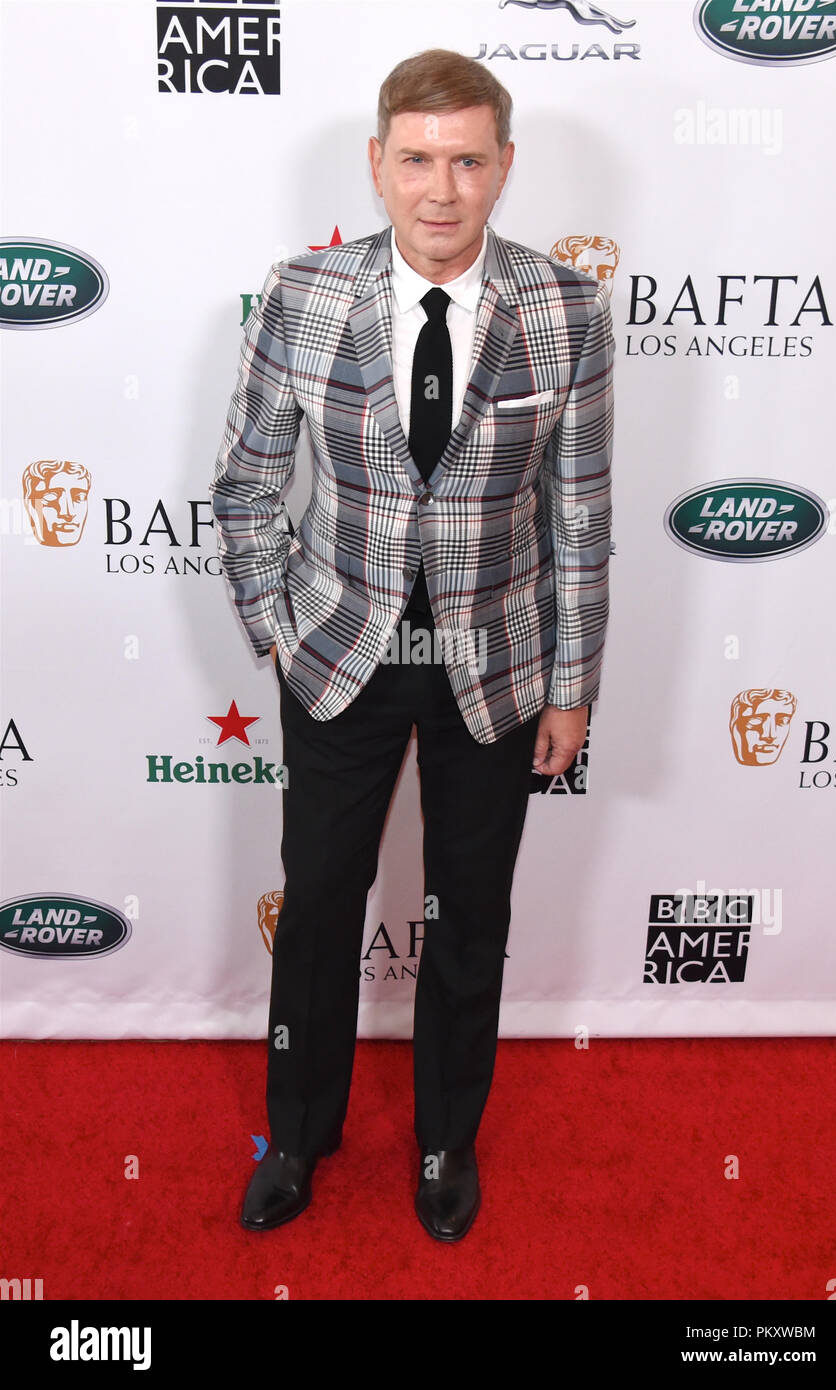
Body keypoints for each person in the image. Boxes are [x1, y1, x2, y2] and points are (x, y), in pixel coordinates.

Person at [210, 47, 614, 1241]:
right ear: (379, 165)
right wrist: (276, 631)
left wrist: (572, 683)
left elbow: (580, 516)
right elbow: (243, 485)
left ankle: (445, 1139)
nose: (441, 190)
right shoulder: (301, 294)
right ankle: (294, 1132)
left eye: (467, 162)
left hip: (496, 665)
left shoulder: (565, 309)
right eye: (417, 161)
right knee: (322, 904)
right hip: (339, 654)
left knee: (468, 916)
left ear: (502, 168)